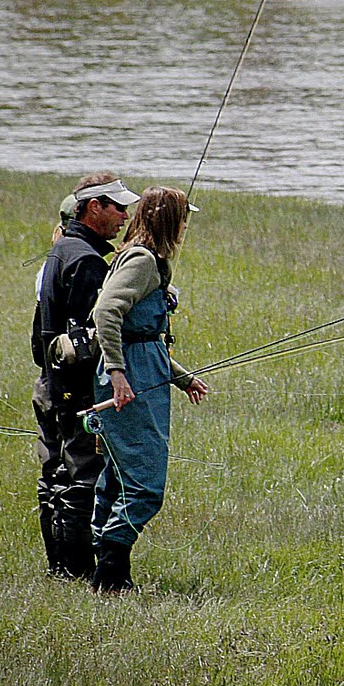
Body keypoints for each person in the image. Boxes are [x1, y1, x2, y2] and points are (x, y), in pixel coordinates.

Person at [87, 186, 209, 593]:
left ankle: (108, 575)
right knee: (145, 483)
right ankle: (111, 574)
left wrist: (182, 377)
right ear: (167, 221)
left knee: (118, 476)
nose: (185, 226)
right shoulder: (141, 260)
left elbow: (146, 336)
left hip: (143, 369)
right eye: (182, 219)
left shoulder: (143, 259)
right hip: (131, 377)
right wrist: (118, 374)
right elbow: (106, 312)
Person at [31, 172, 140, 578]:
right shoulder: (88, 261)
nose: (125, 216)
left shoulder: (60, 251)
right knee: (83, 476)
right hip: (75, 390)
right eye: (118, 207)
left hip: (48, 383)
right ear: (94, 207)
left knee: (53, 474)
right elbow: (91, 338)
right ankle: (76, 569)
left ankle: (59, 566)